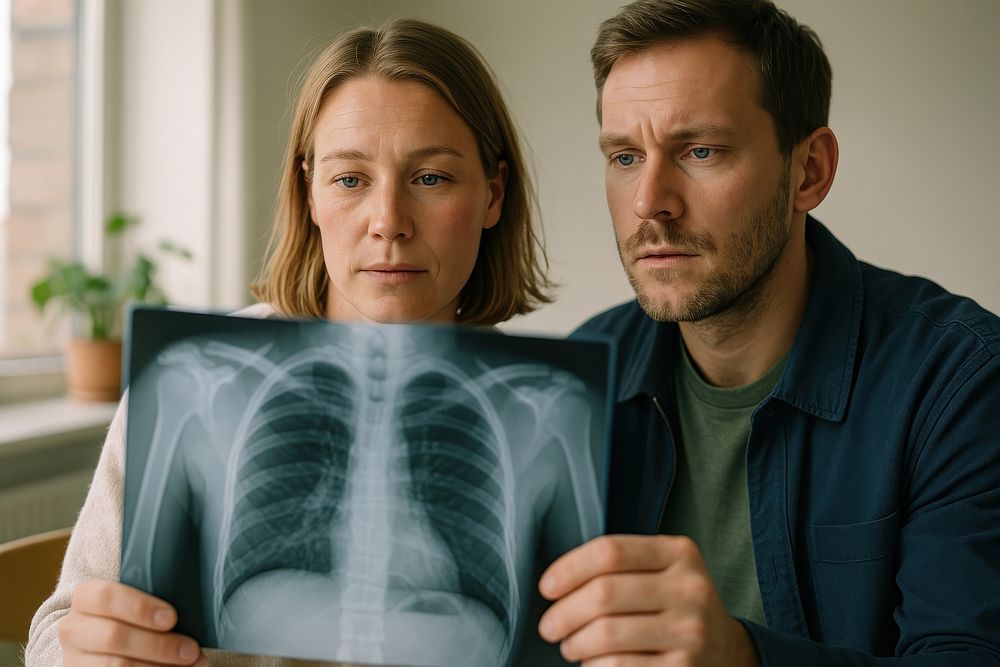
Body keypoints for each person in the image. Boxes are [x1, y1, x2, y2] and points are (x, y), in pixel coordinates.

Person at [26, 18, 562, 666]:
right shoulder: (198, 378)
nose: (388, 222)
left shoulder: (544, 409)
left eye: (431, 178)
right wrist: (87, 654)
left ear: (492, 194)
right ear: (309, 191)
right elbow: (57, 629)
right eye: (350, 179)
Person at [536, 0, 1000, 665]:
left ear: (808, 171)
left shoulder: (960, 379)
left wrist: (742, 656)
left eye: (700, 149)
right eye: (626, 156)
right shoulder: (580, 377)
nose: (649, 202)